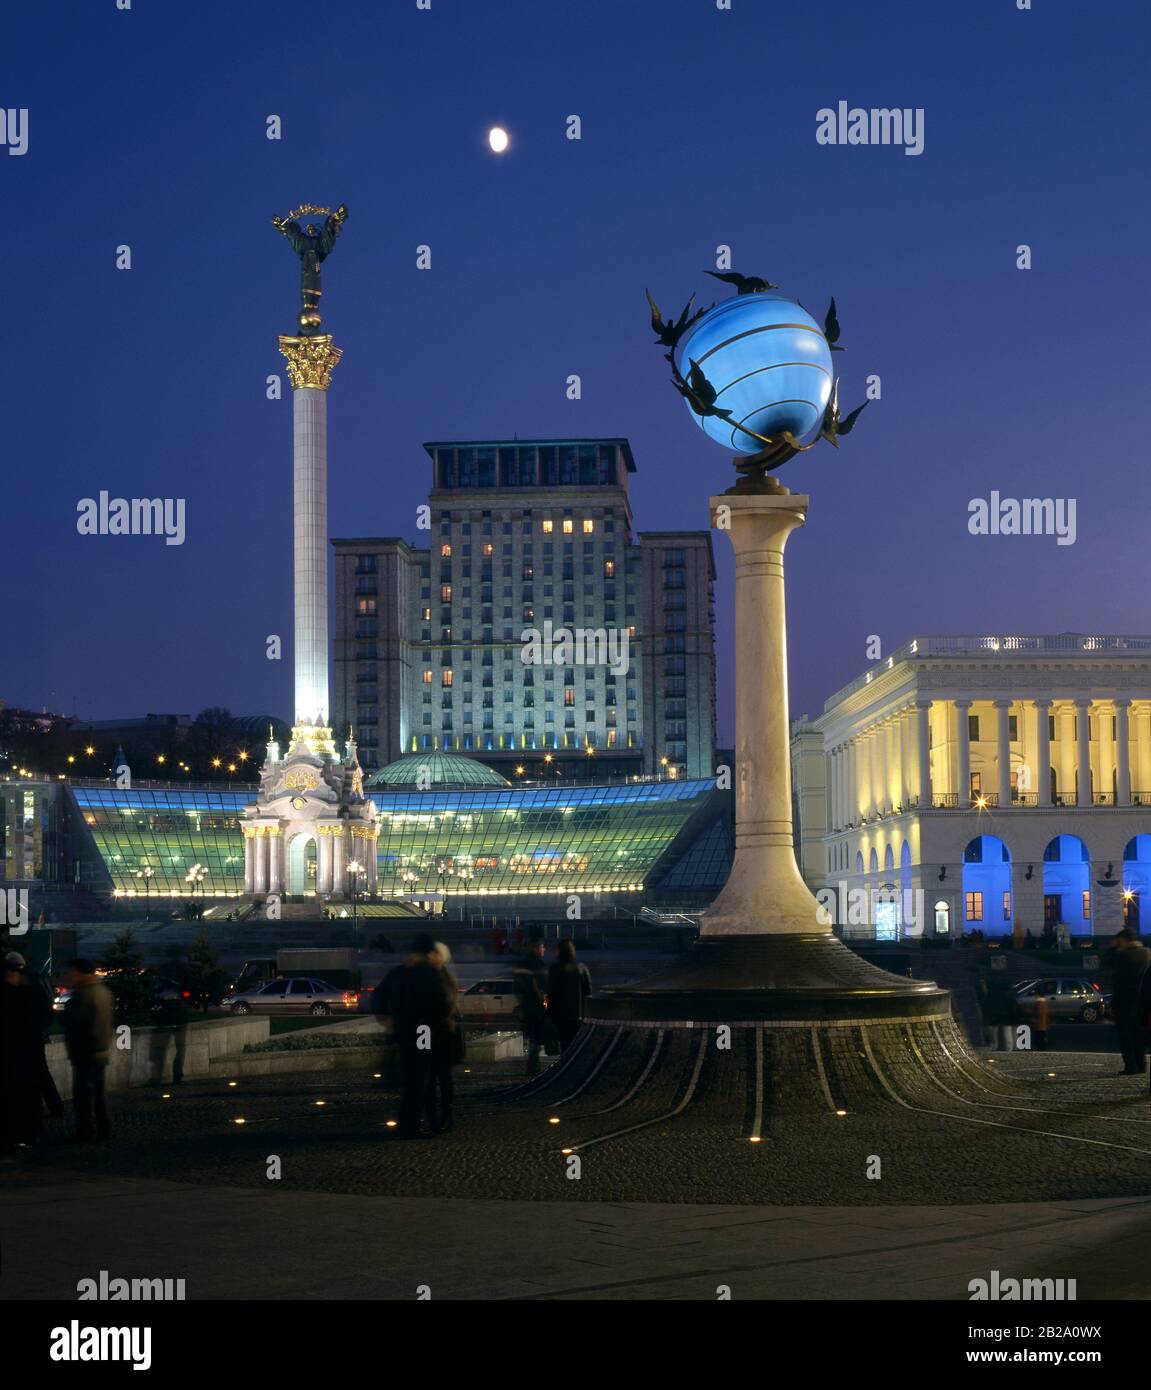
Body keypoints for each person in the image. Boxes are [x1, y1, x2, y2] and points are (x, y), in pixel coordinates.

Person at [380, 935, 453, 1138]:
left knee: (411, 1076)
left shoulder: (399, 972)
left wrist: (391, 1018)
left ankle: (408, 1122)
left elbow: (378, 998)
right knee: (420, 1078)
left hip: (403, 1029)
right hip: (424, 1030)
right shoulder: (431, 973)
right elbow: (443, 1005)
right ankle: (412, 1125)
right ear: (429, 953)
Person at [0, 952, 53, 1150]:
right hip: (30, 1050)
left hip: (18, 1053)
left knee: (20, 1095)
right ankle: (30, 1133)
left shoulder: (15, 995)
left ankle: (20, 1134)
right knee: (30, 1093)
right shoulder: (34, 988)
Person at [62, 959, 114, 1142]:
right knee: (98, 1095)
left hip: (86, 1053)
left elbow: (78, 1023)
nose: (70, 976)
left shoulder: (85, 994)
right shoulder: (103, 991)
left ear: (81, 973)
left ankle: (86, 1131)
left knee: (83, 1096)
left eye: (72, 972)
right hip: (99, 1051)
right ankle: (103, 1129)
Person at [429, 942, 465, 1133]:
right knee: (440, 1077)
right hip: (440, 1033)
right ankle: (442, 1116)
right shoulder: (444, 977)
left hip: (439, 1033)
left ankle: (443, 1116)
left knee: (440, 1077)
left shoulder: (440, 978)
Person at [1106, 929, 1151, 1076]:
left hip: (1124, 1002)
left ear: (1123, 940)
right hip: (1140, 1002)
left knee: (1126, 1037)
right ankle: (1142, 1065)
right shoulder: (1146, 953)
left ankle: (1131, 1067)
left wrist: (1113, 948)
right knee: (1138, 1036)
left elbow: (1106, 963)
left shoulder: (1123, 955)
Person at [547, 940, 592, 1052]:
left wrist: (548, 1012)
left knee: (564, 1045)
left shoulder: (554, 969)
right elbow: (588, 992)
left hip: (561, 1016)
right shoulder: (582, 968)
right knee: (577, 1046)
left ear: (559, 951)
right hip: (579, 1015)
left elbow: (550, 993)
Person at [513, 935, 548, 1076]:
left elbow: (517, 987)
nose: (544, 949)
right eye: (542, 947)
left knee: (532, 1037)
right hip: (536, 1007)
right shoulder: (538, 965)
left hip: (526, 1006)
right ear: (536, 948)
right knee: (536, 1037)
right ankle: (533, 1067)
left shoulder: (522, 964)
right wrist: (544, 1003)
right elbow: (544, 987)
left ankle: (532, 1066)